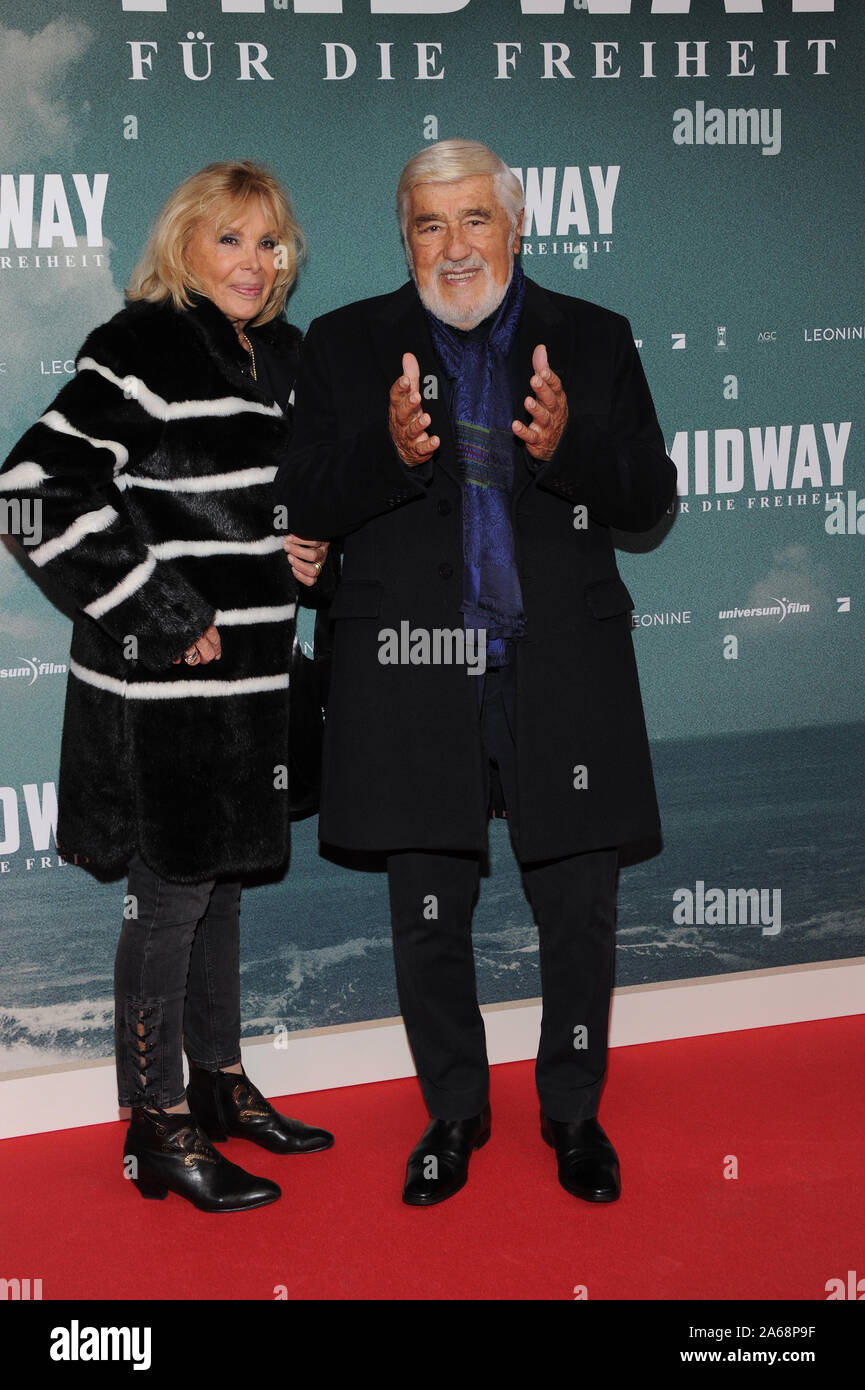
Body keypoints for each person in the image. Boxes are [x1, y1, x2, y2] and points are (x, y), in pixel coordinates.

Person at [275, 138, 677, 1207]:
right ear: (404, 236)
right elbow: (302, 495)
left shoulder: (593, 337)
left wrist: (566, 445)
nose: (453, 246)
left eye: (474, 219)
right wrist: (388, 454)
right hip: (413, 674)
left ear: (515, 225)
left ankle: (573, 1112)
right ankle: (453, 1113)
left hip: (564, 670)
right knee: (427, 916)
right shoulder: (343, 343)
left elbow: (648, 495)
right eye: (428, 224)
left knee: (580, 910)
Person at [0, 161, 334, 1212]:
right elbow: (27, 493)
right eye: (229, 238)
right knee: (169, 902)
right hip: (164, 700)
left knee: (221, 885)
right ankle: (155, 1124)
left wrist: (307, 546)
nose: (254, 261)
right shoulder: (142, 345)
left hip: (256, 689)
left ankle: (219, 1084)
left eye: (269, 241)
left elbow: (271, 504)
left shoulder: (282, 356)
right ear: (184, 244)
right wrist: (160, 609)